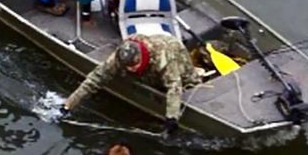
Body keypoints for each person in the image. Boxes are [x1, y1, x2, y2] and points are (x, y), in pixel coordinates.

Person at [63, 35, 203, 135]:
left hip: (178, 65)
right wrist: (69, 104)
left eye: (134, 66)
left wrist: (171, 117)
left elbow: (174, 86)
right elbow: (95, 79)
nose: (130, 69)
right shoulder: (120, 56)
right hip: (149, 73)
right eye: (128, 67)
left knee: (187, 82)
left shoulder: (164, 58)